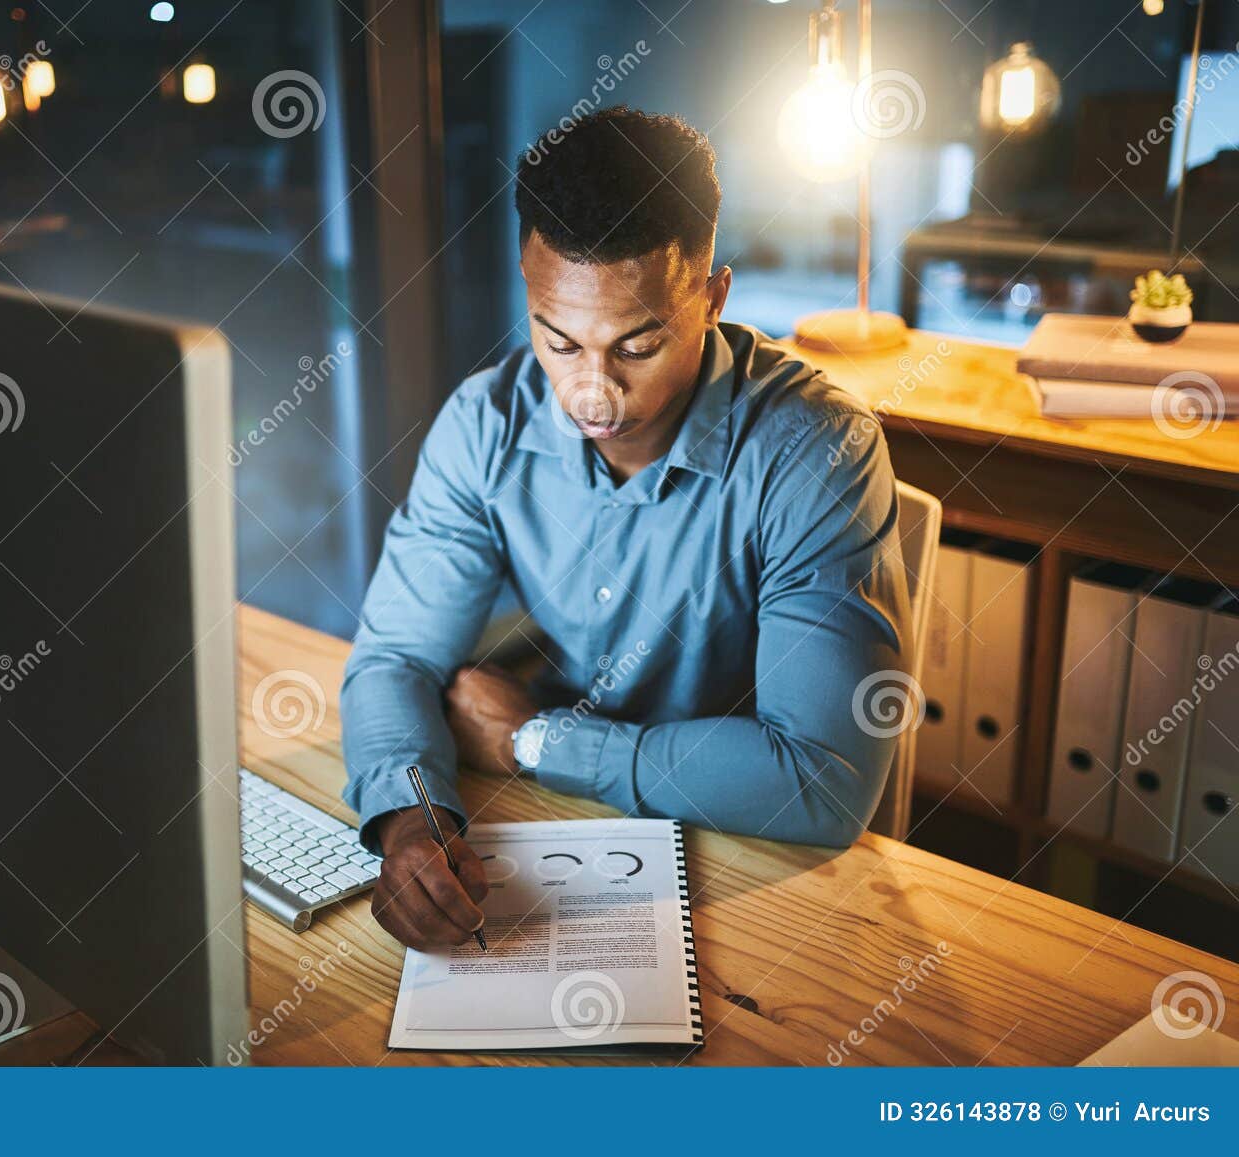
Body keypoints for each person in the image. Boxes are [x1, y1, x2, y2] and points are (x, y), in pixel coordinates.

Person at [340, 107, 910, 950]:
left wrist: (537, 740)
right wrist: (411, 825)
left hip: (755, 869)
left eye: (637, 346)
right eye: (559, 340)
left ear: (714, 296)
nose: (592, 392)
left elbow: (820, 784)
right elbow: (393, 659)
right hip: (556, 842)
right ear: (527, 282)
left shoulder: (818, 452)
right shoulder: (485, 423)